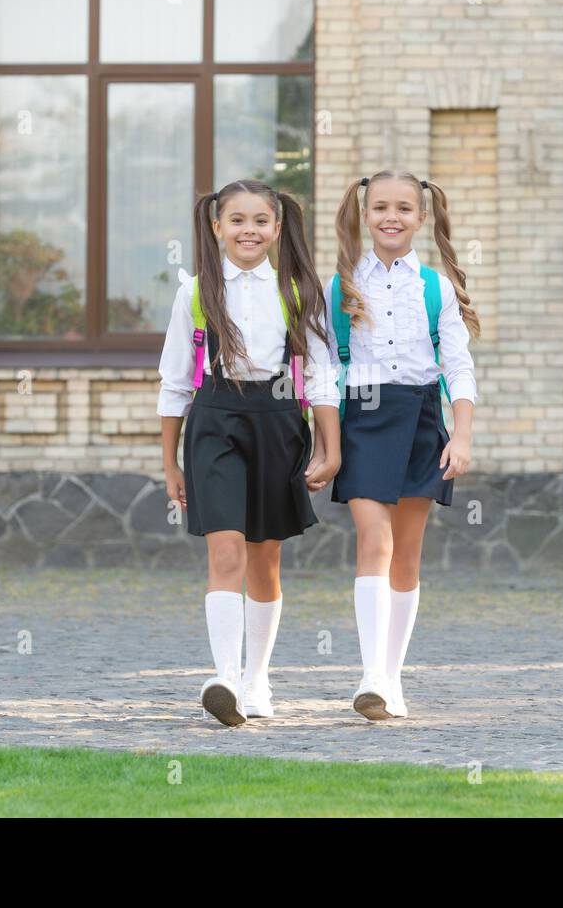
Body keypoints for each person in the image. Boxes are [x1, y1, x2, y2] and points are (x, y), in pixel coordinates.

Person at [157, 179, 340, 727]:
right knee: (226, 553)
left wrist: (330, 448)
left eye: (260, 220)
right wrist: (170, 462)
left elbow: (325, 375)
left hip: (280, 419)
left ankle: (256, 679)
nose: (249, 230)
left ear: (277, 228)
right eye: (237, 220)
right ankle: (225, 677)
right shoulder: (193, 292)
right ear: (217, 227)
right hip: (214, 420)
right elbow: (172, 383)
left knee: (265, 556)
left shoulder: (299, 290)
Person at [327, 169, 479, 720]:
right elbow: (323, 371)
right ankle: (369, 674)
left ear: (421, 216)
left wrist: (460, 435)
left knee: (407, 554)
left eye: (404, 209)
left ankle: (391, 679)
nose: (392, 217)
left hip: (421, 420)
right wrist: (327, 445)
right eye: (380, 208)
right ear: (365, 215)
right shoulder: (341, 285)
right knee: (374, 540)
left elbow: (457, 367)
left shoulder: (435, 287)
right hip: (362, 418)